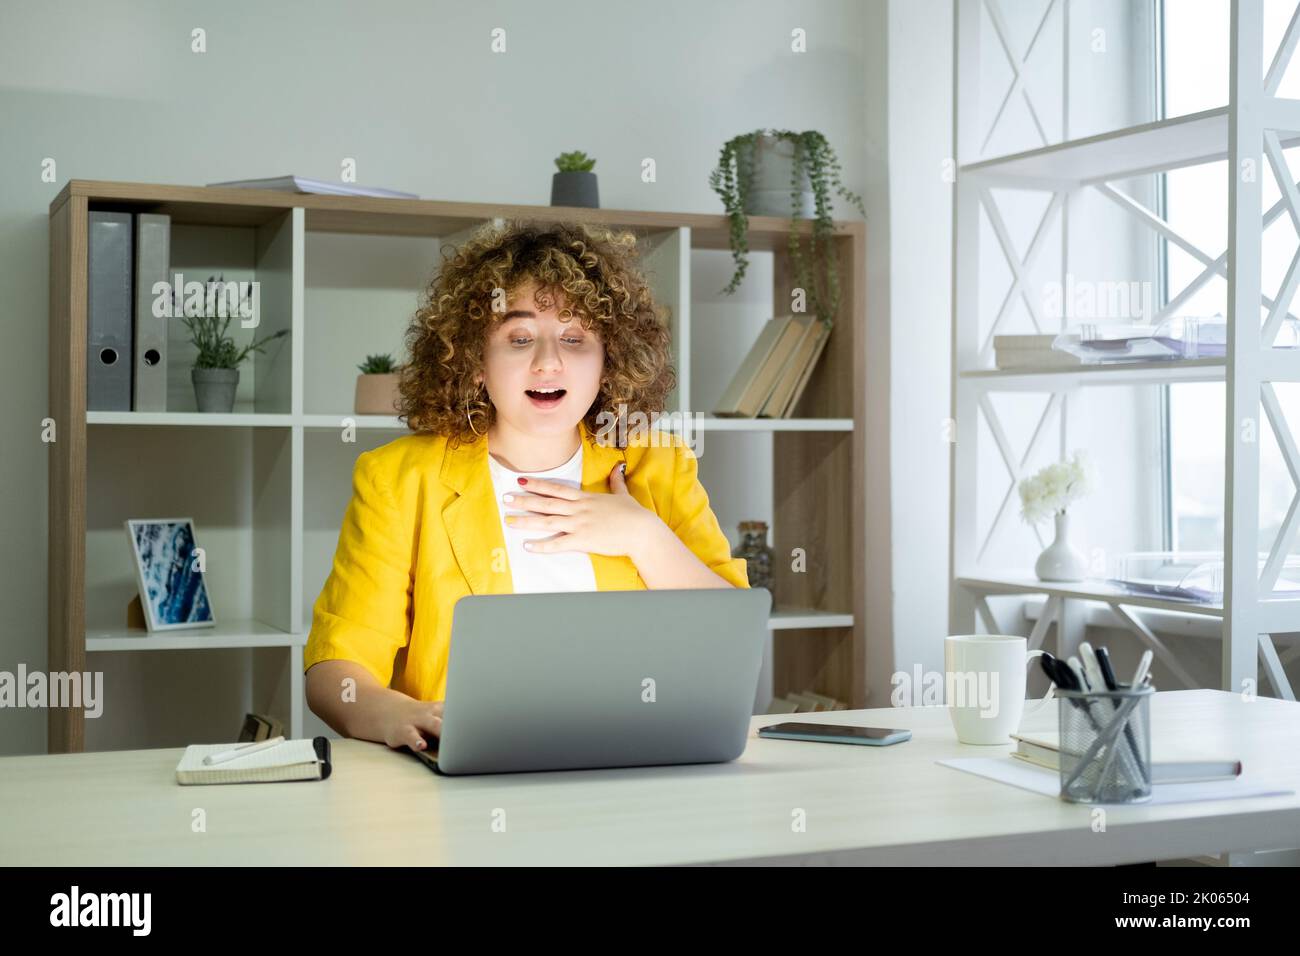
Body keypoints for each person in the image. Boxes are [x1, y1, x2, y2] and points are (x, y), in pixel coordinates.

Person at [304, 220, 748, 752]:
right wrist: (393, 713)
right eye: (519, 338)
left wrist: (644, 537)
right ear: (473, 363)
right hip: (470, 780)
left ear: (608, 361)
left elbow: (733, 641)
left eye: (575, 337)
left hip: (636, 762)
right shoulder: (400, 479)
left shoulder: (661, 464)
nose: (548, 361)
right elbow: (335, 673)